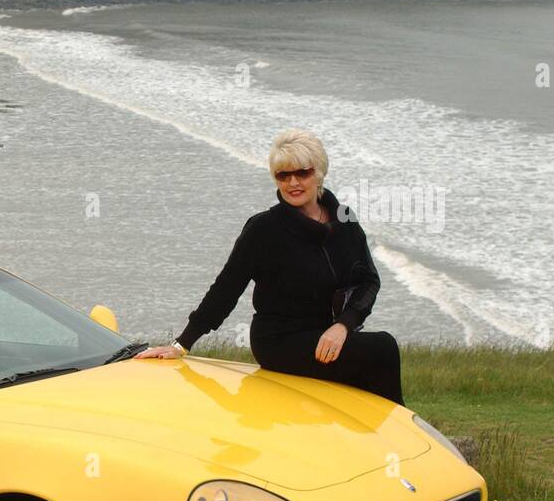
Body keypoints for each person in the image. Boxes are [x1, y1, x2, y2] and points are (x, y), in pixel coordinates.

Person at [136, 129, 403, 405]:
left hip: (329, 334)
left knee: (367, 374)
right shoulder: (264, 229)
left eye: (302, 173)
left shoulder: (344, 220)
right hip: (280, 340)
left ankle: (379, 438)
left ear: (319, 173)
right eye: (283, 175)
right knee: (382, 348)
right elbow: (226, 288)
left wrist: (344, 326)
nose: (293, 183)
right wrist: (182, 344)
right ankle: (401, 435)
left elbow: (369, 281)